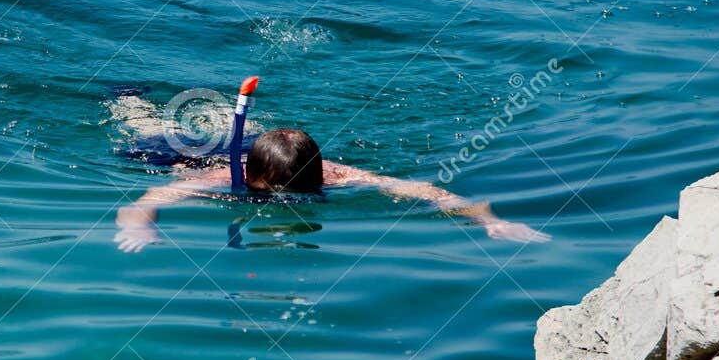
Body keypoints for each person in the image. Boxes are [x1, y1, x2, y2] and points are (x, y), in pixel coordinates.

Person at [114, 126, 549, 252]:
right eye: (274, 193)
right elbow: (146, 200)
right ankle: (129, 98)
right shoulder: (213, 180)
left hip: (262, 149)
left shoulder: (337, 174)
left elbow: (430, 193)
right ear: (250, 180)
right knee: (149, 134)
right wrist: (141, 228)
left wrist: (491, 222)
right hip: (197, 157)